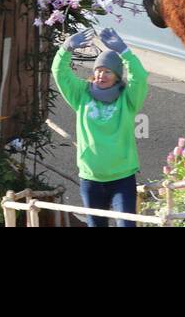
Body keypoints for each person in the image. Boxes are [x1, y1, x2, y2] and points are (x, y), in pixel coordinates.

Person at [54, 26, 149, 227]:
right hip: (91, 178)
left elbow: (139, 77)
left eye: (107, 71)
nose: (101, 75)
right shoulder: (82, 94)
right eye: (98, 70)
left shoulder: (128, 99)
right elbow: (59, 73)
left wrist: (125, 52)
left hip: (122, 177)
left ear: (116, 76)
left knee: (127, 225)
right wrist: (66, 48)